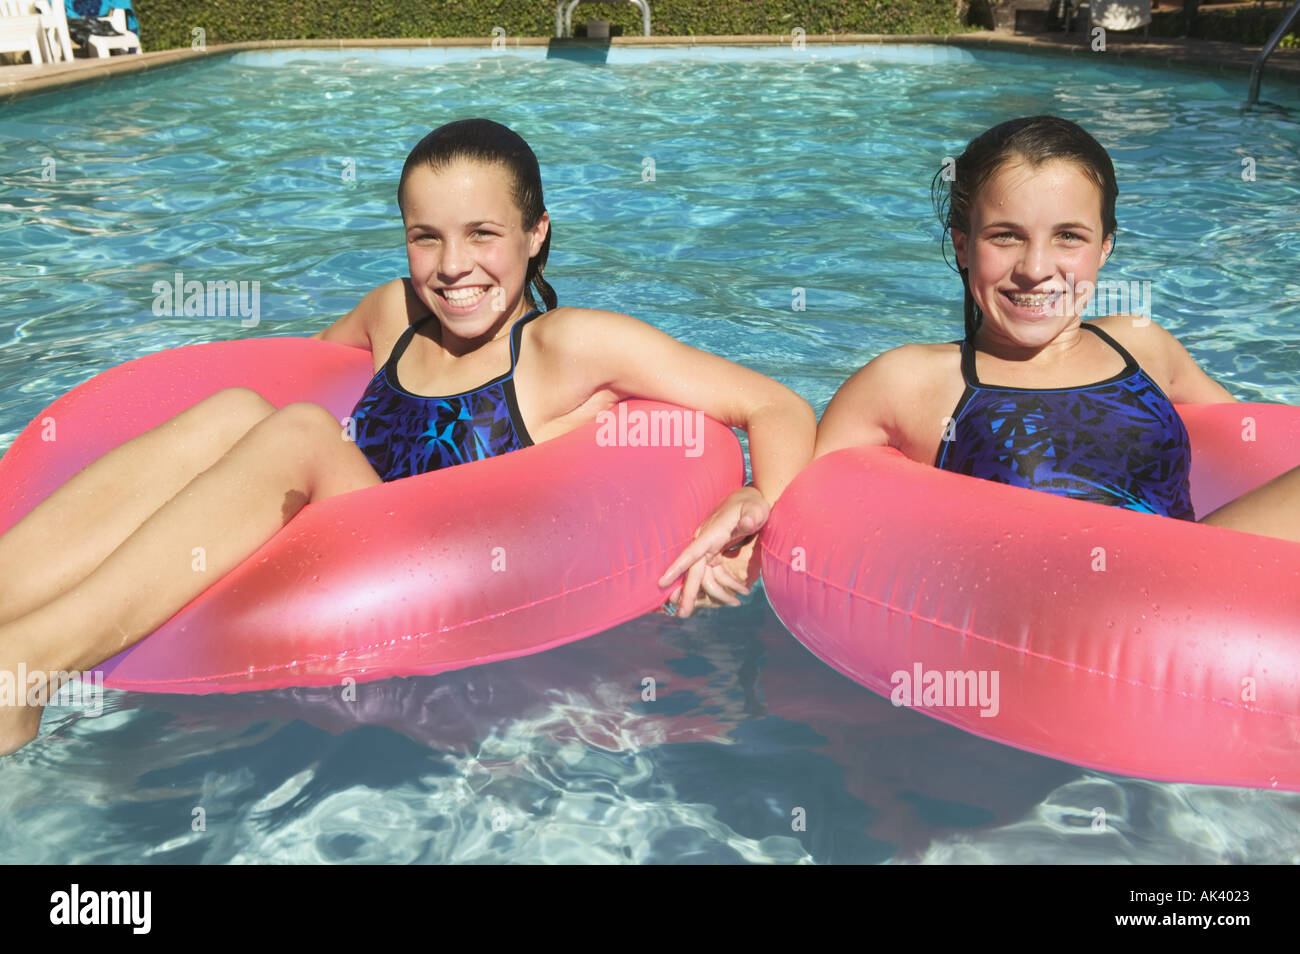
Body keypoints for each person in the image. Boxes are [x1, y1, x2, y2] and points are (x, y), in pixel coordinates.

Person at [0, 118, 814, 755]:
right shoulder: (391, 313)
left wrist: (755, 503)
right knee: (237, 412)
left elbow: (774, 406)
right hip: (322, 584)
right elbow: (286, 389)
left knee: (299, 435)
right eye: (426, 236)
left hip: (443, 631)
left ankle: (30, 668)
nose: (453, 265)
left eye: (483, 234)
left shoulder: (569, 349)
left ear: (536, 235)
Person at [816, 114, 1300, 540]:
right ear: (962, 246)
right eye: (1005, 236)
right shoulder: (908, 381)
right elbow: (802, 515)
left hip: (1191, 604)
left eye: (1069, 236)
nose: (1036, 267)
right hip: (1053, 618)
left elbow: (1256, 457)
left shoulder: (1141, 344)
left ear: (1105, 247)